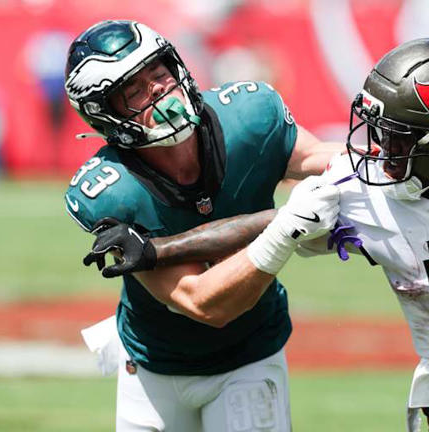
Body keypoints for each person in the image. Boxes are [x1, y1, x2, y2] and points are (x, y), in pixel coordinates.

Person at [84, 39, 429, 431]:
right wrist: (157, 249)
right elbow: (268, 224)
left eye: (397, 137)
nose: (377, 148)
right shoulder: (367, 193)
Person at [64, 20, 342, 431]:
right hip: (153, 365)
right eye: (134, 90)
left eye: (158, 72)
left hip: (249, 355)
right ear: (106, 115)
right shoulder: (112, 190)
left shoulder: (247, 115)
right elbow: (204, 303)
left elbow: (322, 158)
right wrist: (287, 225)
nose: (157, 90)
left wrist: (381, 160)